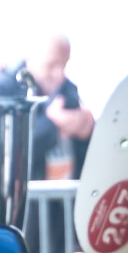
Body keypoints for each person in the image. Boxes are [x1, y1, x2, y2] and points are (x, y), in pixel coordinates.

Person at [24, 36, 95, 181]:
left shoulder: (69, 92)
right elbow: (8, 152)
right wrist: (52, 123)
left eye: (64, 65)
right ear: (30, 61)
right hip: (27, 200)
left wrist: (87, 133)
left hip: (65, 199)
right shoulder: (3, 91)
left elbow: (89, 161)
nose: (60, 74)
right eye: (51, 65)